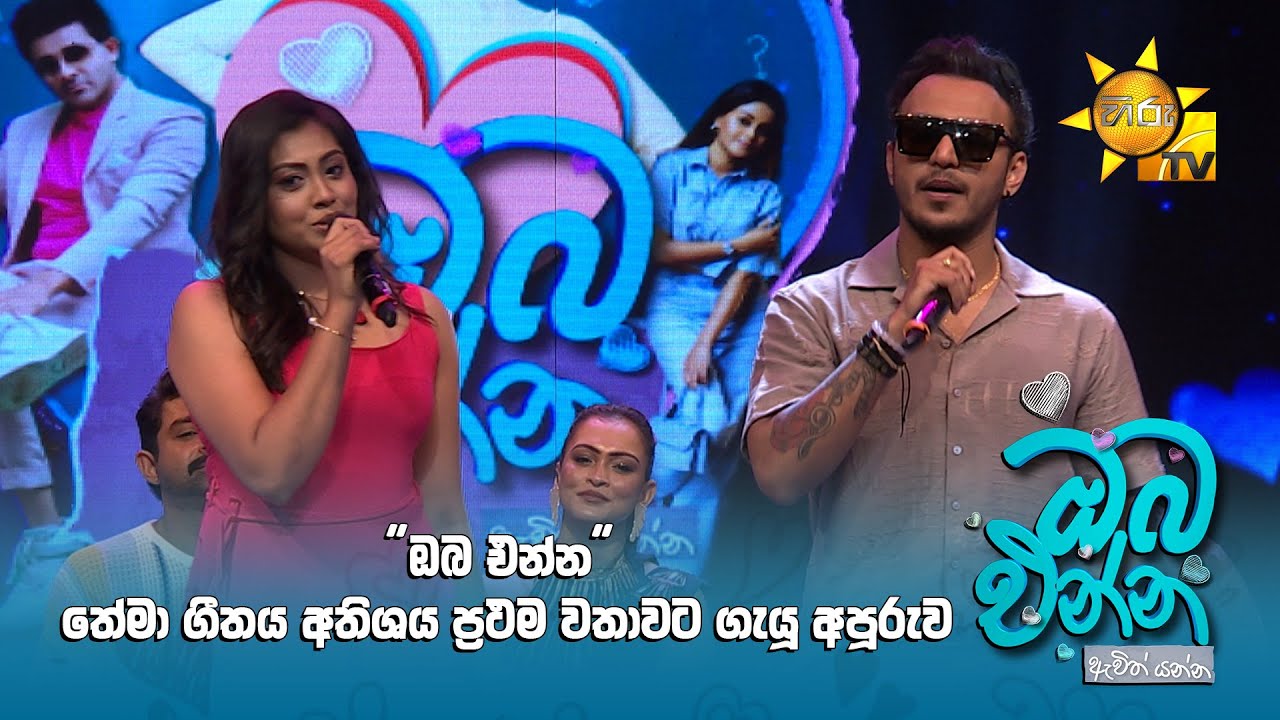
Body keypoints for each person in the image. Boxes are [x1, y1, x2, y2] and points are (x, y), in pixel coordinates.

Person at [743, 37, 1168, 604]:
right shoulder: (811, 308)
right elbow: (777, 475)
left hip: (1025, 649)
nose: (943, 156)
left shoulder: (1080, 327)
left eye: (974, 142)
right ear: (892, 160)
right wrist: (889, 336)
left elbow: (1143, 523)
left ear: (1014, 172)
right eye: (921, 136)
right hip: (865, 650)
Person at [166, 89, 478, 605]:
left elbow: (445, 507)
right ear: (255, 201)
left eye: (334, 171)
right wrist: (339, 306)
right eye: (292, 181)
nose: (325, 195)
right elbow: (273, 472)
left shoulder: (422, 313)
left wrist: (472, 621)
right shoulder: (209, 310)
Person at [0, 0, 205, 620]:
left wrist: (48, 283)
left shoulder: (174, 121)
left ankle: (51, 540)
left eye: (76, 54)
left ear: (109, 49)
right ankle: (47, 536)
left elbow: (134, 216)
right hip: (25, 291)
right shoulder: (26, 130)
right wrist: (26, 285)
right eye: (48, 65)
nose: (65, 72)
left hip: (124, 292)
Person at [644, 80, 786, 530]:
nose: (751, 135)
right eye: (744, 121)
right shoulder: (671, 170)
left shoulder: (766, 195)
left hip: (741, 317)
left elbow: (746, 277)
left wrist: (707, 340)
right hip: (674, 307)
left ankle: (684, 550)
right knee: (708, 412)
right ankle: (640, 498)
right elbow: (660, 251)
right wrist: (736, 245)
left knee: (731, 429)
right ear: (718, 119)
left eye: (763, 131)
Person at [42, 370, 207, 703]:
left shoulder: (292, 562)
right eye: (188, 433)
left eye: (220, 431)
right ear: (150, 467)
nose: (208, 444)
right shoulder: (94, 574)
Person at [533, 403, 701, 606]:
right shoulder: (506, 585)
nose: (597, 477)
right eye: (584, 459)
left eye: (621, 467)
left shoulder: (679, 599)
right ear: (559, 474)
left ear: (645, 494)